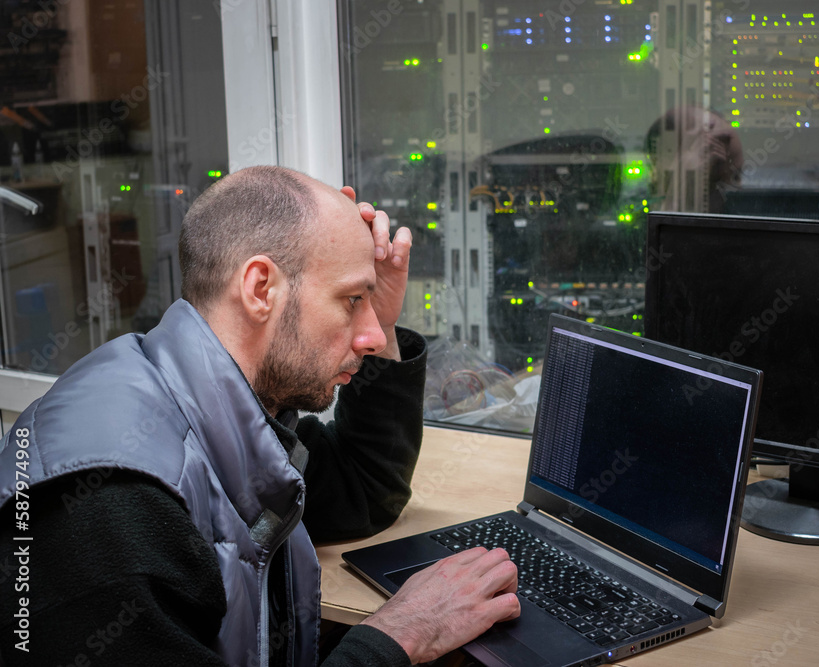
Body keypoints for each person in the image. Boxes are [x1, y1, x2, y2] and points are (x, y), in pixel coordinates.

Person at [0, 166, 519, 665]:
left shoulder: (215, 405)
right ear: (260, 289)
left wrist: (377, 316)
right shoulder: (115, 503)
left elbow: (361, 492)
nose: (372, 336)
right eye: (351, 300)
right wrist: (399, 635)